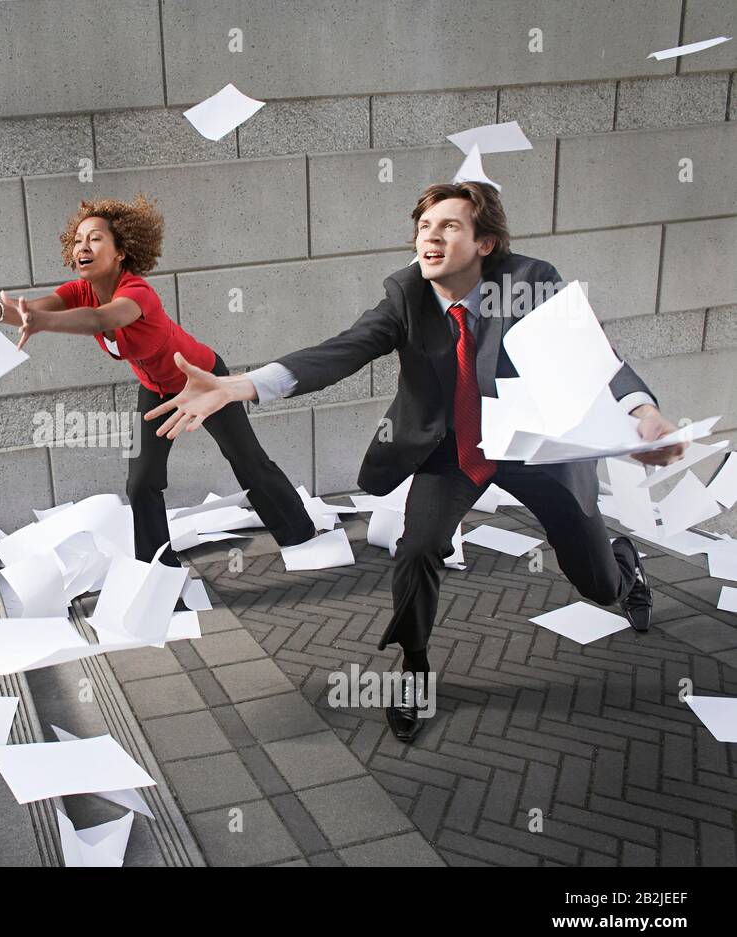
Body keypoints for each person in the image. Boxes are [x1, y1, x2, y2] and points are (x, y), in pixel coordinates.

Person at [143, 181, 687, 743]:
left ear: (486, 243)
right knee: (417, 547)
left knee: (598, 586)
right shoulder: (406, 295)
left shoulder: (529, 281)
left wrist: (643, 412)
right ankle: (415, 666)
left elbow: (595, 354)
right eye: (424, 227)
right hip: (451, 452)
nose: (430, 237)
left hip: (534, 449)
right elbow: (341, 351)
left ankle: (625, 567)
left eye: (449, 226)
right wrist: (241, 386)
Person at [0, 193, 315, 569]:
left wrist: (41, 324)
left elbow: (100, 320)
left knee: (246, 460)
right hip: (156, 391)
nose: (82, 247)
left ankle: (301, 534)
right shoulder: (80, 290)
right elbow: (32, 310)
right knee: (142, 482)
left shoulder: (137, 293)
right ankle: (158, 569)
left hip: (204, 379)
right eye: (77, 240)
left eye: (95, 238)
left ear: (121, 251)